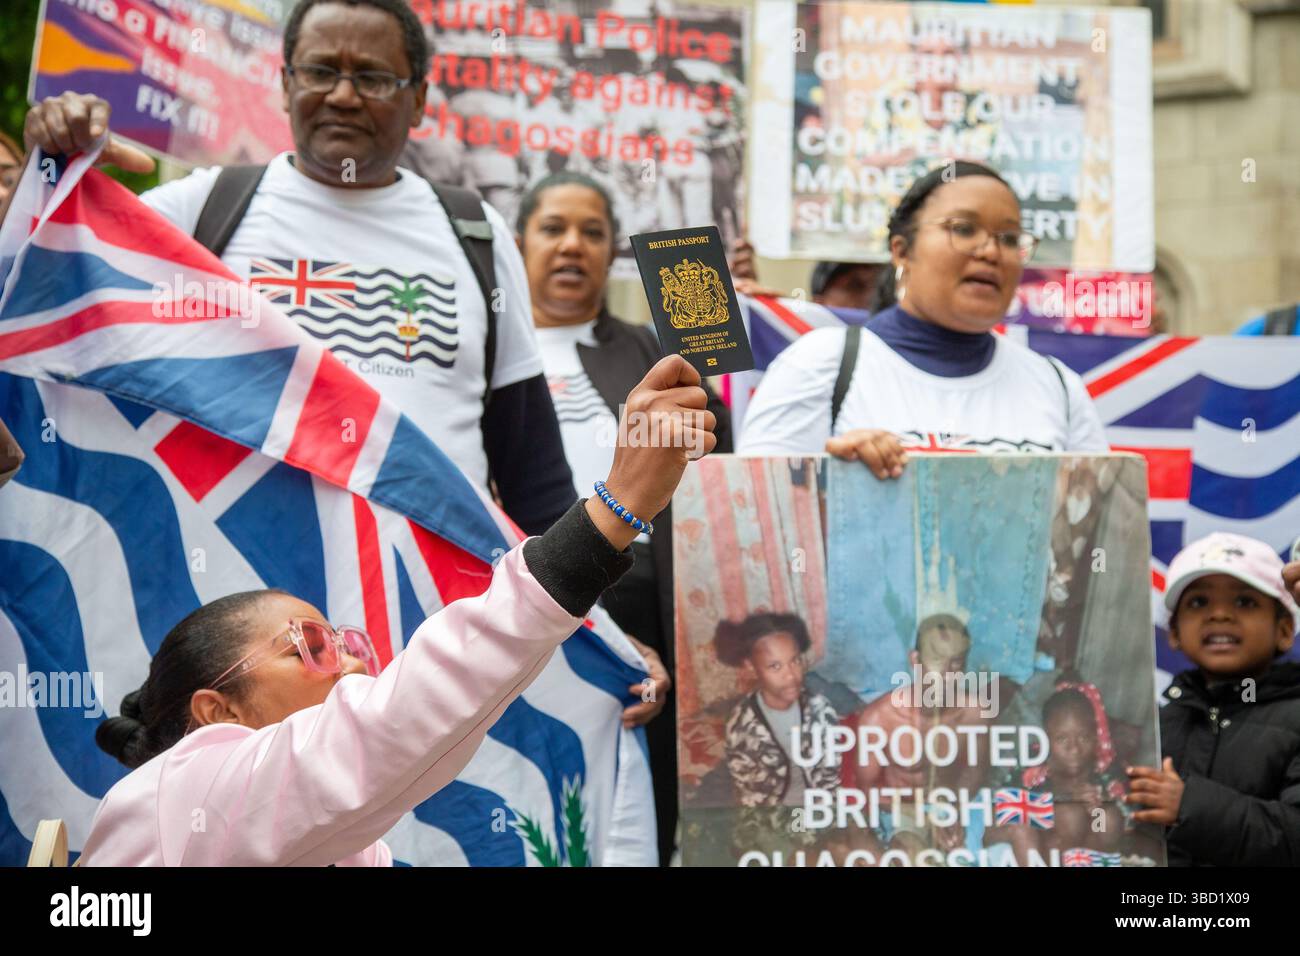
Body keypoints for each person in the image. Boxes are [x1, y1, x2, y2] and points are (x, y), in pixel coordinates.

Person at [78, 355, 717, 865]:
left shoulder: (354, 848)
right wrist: (617, 508)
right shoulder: (189, 788)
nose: (354, 667)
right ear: (220, 712)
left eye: (351, 643)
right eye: (312, 646)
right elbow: (401, 716)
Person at [22, 0, 574, 536]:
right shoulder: (202, 210)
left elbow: (534, 475)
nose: (342, 95)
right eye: (319, 70)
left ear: (421, 99)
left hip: (438, 610)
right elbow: (37, 293)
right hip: (241, 602)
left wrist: (575, 615)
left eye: (374, 78)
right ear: (286, 85)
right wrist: (48, 173)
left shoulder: (476, 232)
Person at [516, 170, 733, 864]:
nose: (572, 245)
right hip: (530, 611)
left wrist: (700, 317)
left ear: (615, 253)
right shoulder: (495, 353)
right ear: (517, 243)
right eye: (553, 228)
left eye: (593, 232)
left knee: (646, 827)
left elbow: (717, 459)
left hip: (659, 628)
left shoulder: (651, 350)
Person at [737, 162, 1109, 475]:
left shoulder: (1058, 387)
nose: (991, 251)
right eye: (963, 229)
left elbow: (1095, 538)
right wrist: (837, 481)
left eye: (1010, 238)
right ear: (901, 251)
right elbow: (758, 524)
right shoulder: (820, 365)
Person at [1127, 532, 1300, 866]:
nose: (1219, 614)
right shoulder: (1156, 728)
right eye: (1198, 602)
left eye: (1245, 602)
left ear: (1284, 631)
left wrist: (1187, 806)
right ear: (1174, 632)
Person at [715, 613, 840, 808]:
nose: (791, 675)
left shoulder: (821, 709)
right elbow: (751, 797)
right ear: (750, 667)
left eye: (795, 661)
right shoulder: (741, 726)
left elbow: (830, 778)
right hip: (771, 818)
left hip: (820, 811)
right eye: (775, 666)